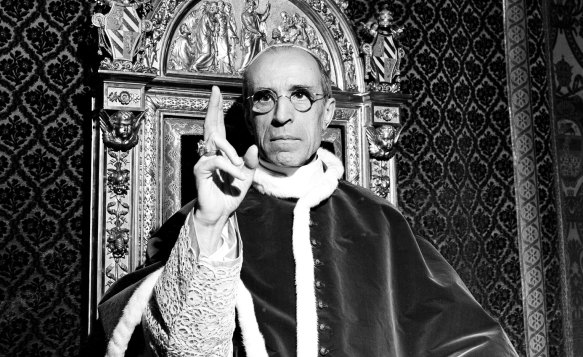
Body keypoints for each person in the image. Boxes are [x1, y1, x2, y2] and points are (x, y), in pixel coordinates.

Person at [94, 44, 518, 356]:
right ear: (247, 116)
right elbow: (168, 344)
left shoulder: (380, 223)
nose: (282, 115)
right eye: (265, 98)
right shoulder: (203, 219)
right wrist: (208, 227)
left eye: (301, 95)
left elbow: (469, 339)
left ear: (327, 110)